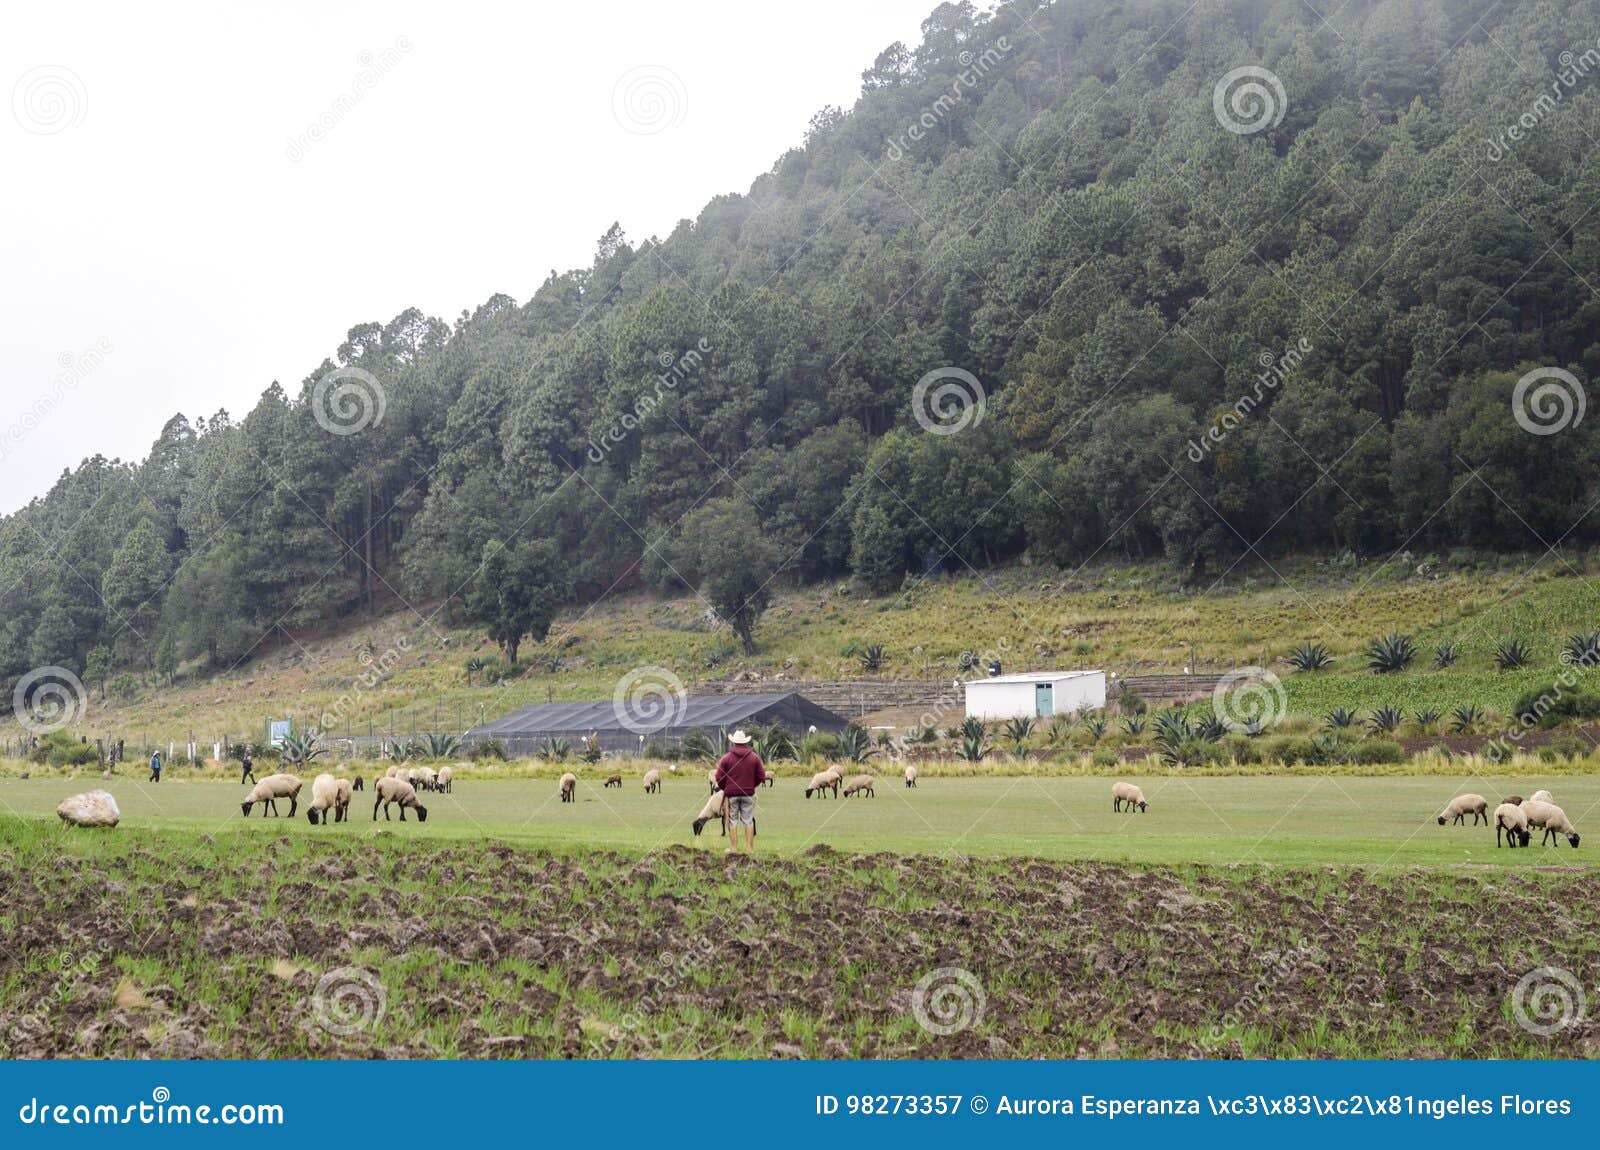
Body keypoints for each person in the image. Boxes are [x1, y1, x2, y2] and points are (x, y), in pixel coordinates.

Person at [714, 730, 765, 856]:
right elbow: (761, 776)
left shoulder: (726, 758)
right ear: (746, 743)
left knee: (733, 820)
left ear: (733, 742)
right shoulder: (754, 758)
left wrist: (725, 788)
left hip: (731, 795)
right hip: (748, 794)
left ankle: (733, 848)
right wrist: (752, 786)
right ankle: (749, 849)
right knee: (748, 821)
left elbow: (719, 777)